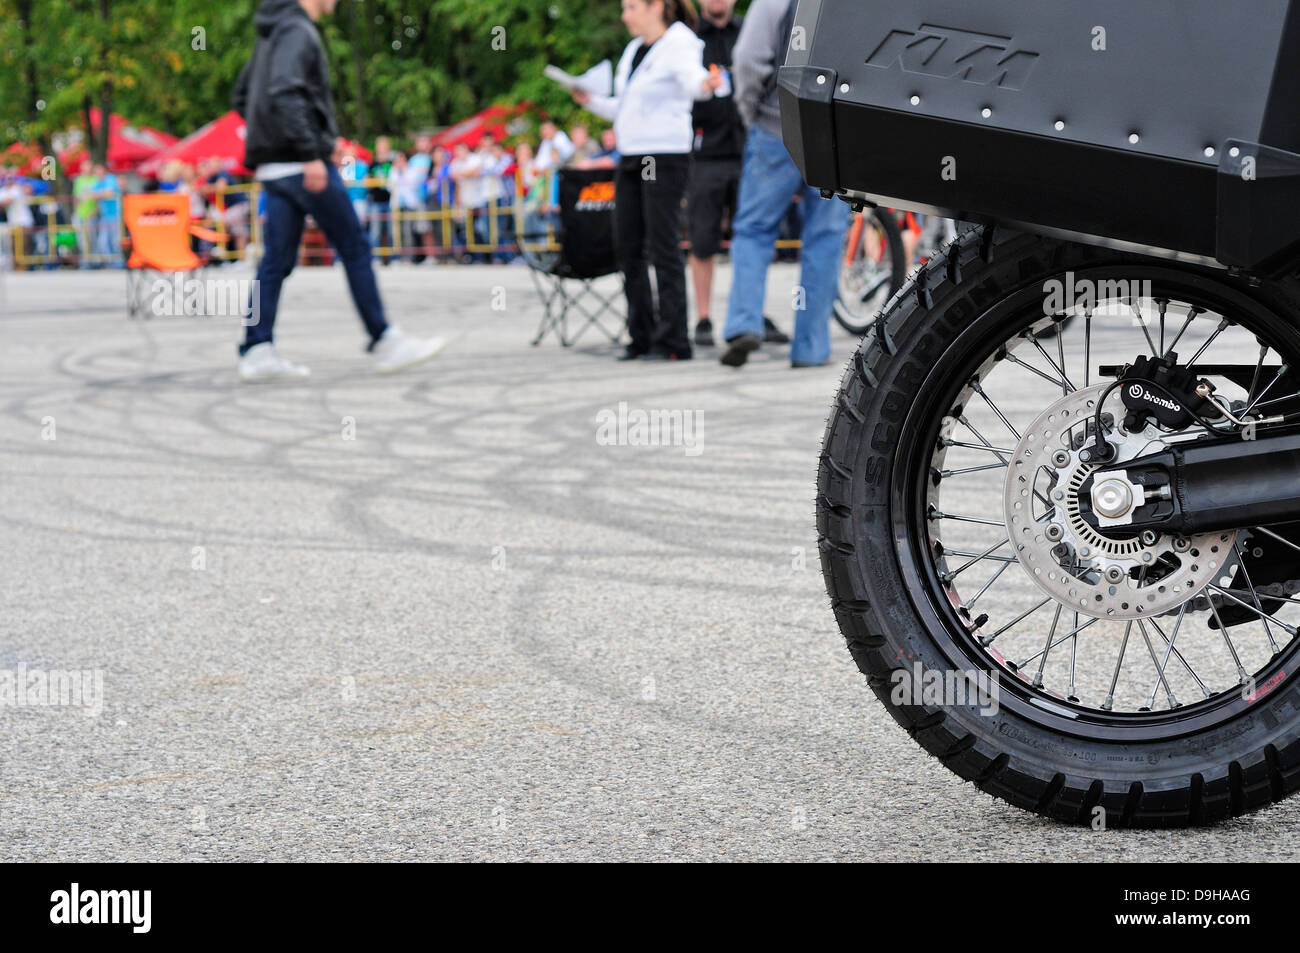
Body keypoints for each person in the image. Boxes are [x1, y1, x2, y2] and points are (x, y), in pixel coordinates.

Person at [232, 0, 444, 382]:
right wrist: (310, 151)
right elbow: (285, 92)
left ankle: (257, 348)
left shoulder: (271, 34)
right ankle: (385, 339)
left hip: (275, 166)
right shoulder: (297, 31)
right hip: (302, 164)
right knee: (354, 246)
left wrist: (277, 141)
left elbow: (243, 96)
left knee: (276, 260)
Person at [576, 0, 721, 362]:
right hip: (629, 154)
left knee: (663, 245)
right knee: (627, 246)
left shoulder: (679, 42)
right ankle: (640, 334)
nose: (625, 15)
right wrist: (589, 101)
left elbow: (694, 81)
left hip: (663, 155)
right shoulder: (632, 51)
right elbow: (621, 106)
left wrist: (707, 83)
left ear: (657, 7)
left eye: (630, 8)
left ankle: (673, 340)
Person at [719, 0, 849, 369]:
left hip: (775, 128)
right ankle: (810, 346)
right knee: (823, 237)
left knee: (754, 230)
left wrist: (751, 114)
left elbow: (747, 58)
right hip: (835, 131)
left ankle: (744, 323)